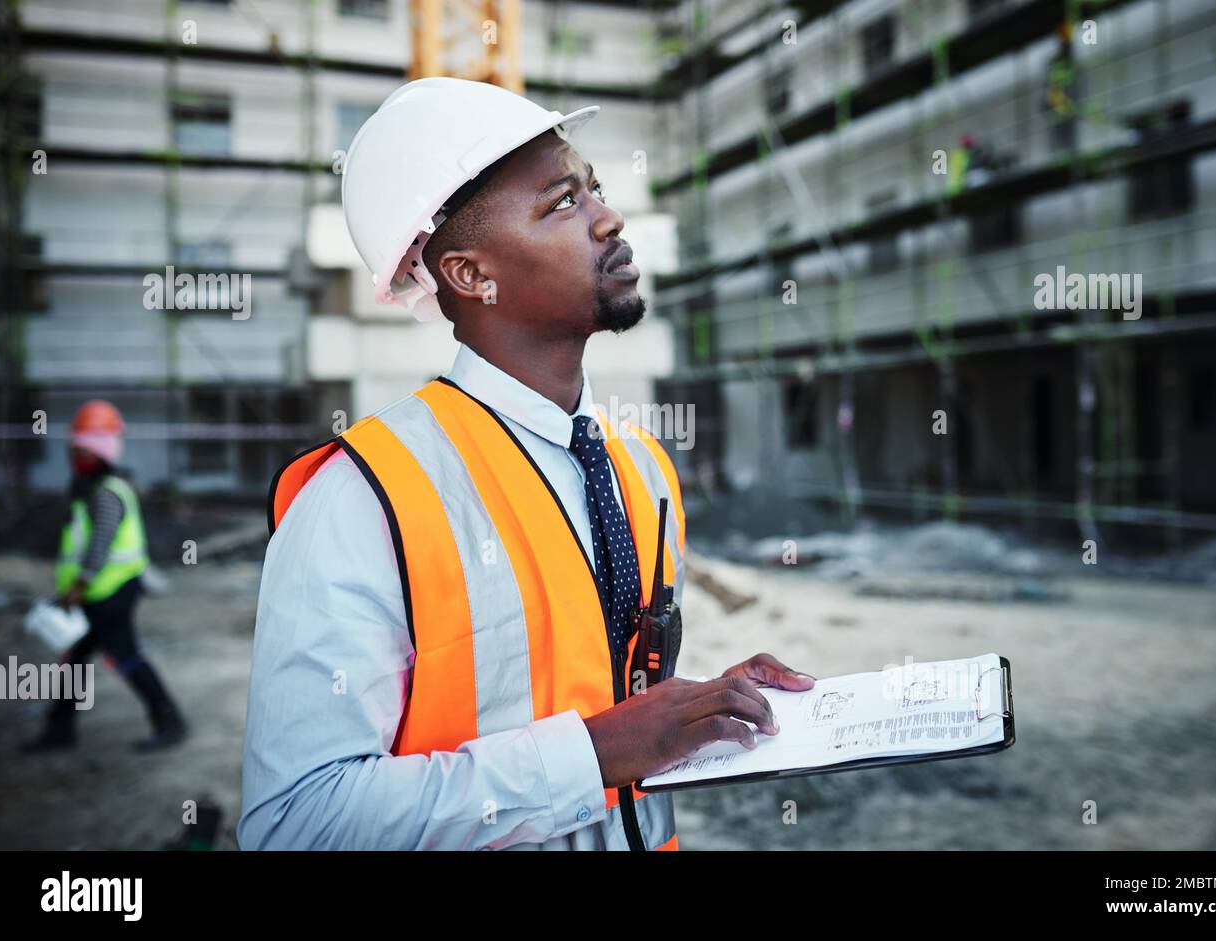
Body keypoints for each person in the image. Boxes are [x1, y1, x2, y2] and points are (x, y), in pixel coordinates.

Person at [238, 77, 815, 851]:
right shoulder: (363, 500)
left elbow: (602, 690)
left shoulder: (640, 469)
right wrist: (598, 750)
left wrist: (701, 708)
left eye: (595, 190)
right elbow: (297, 821)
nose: (610, 218)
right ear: (471, 275)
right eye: (563, 202)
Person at [22, 400, 189, 753]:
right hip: (96, 594)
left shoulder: (107, 493)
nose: (75, 456)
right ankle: (60, 729)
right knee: (76, 659)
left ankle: (170, 721)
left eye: (81, 449)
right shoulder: (93, 491)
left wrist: (79, 585)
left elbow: (100, 543)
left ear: (98, 451)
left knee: (125, 656)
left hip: (109, 593)